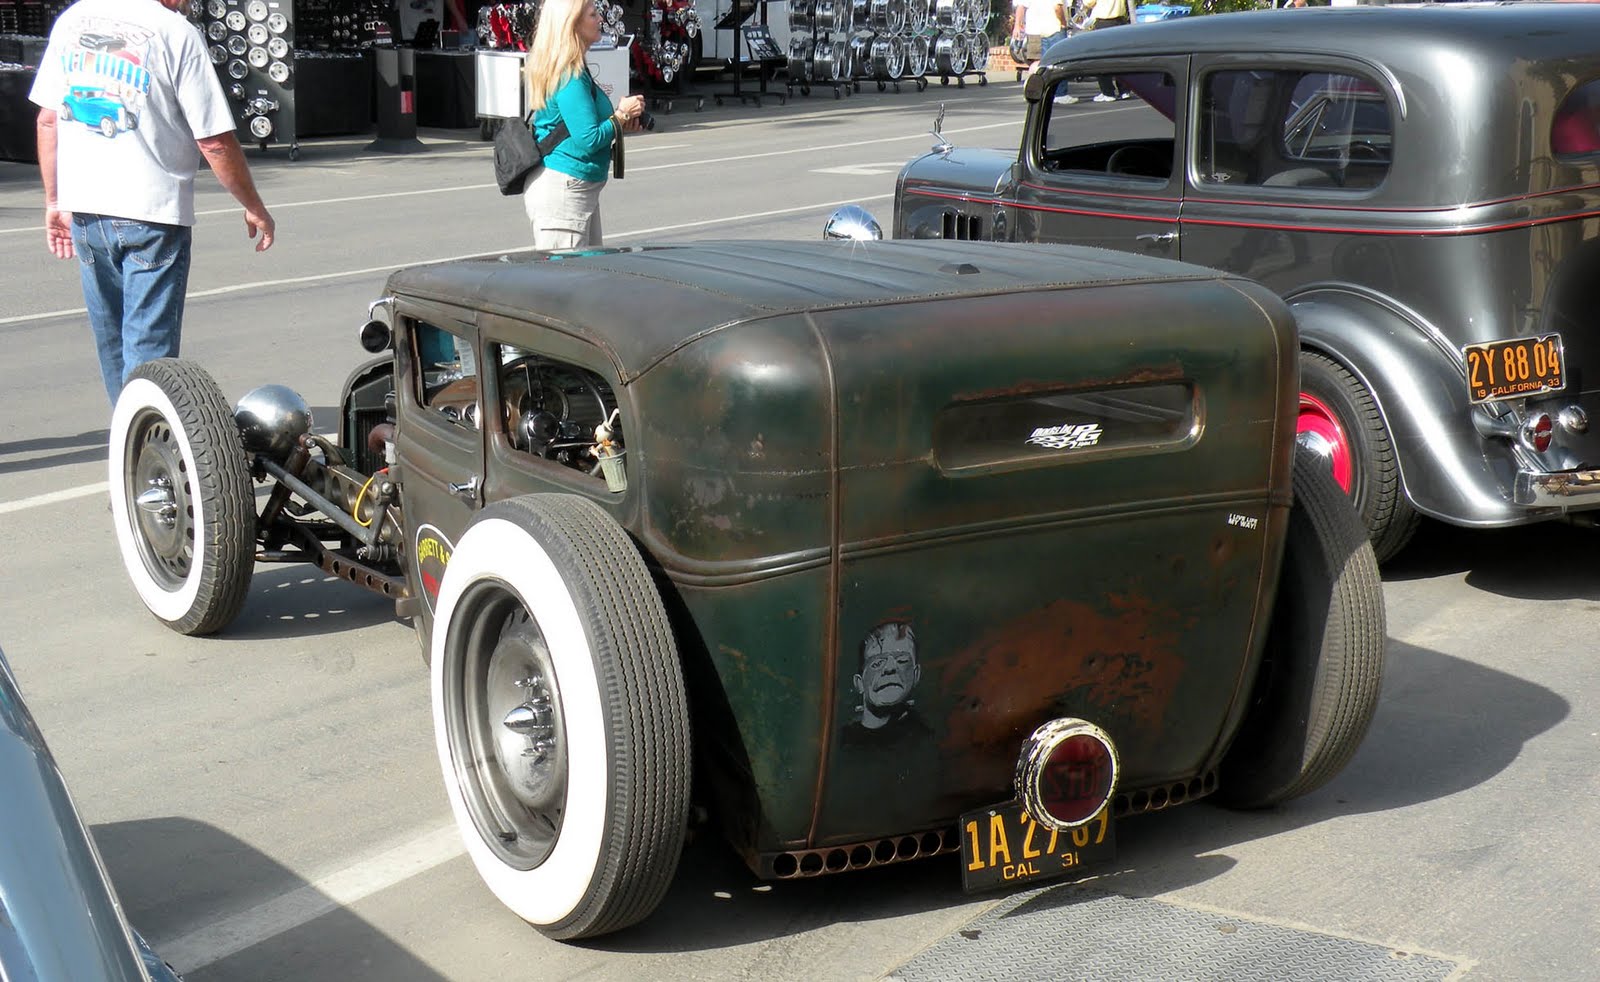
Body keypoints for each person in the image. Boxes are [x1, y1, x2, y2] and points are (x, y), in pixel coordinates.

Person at [30, 0, 275, 406]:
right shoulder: (175, 33)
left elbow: (48, 119)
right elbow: (213, 140)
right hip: (151, 214)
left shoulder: (73, 20)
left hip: (87, 210)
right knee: (150, 354)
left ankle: (129, 441)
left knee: (112, 341)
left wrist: (55, 200)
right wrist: (253, 205)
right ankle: (145, 448)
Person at [523, 0, 646, 250]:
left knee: (585, 279)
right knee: (565, 284)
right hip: (565, 195)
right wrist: (621, 116)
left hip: (577, 192)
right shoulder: (570, 75)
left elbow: (584, 127)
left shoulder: (573, 69)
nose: (600, 19)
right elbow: (588, 139)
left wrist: (620, 123)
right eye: (593, 14)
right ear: (573, 24)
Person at [1085, 0, 1132, 102]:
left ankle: (1107, 92)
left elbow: (1089, 2)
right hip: (1120, 20)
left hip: (1103, 21)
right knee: (1120, 57)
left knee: (1101, 58)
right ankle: (1124, 90)